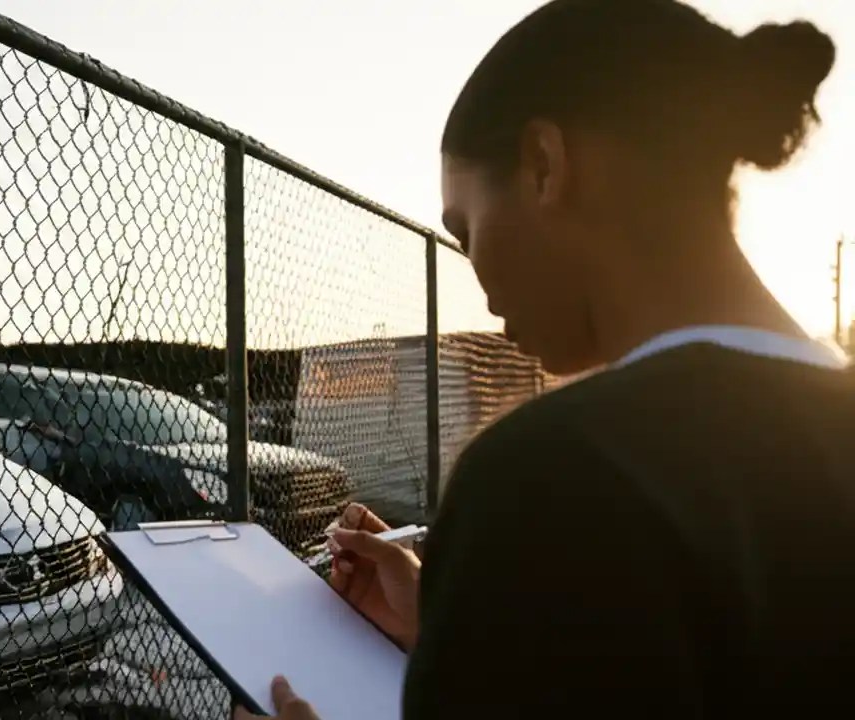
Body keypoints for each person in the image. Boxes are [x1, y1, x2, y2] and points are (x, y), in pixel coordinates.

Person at [235, 0, 848, 717]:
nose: (478, 278)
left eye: (465, 230)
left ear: (544, 166)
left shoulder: (547, 475)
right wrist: (461, 631)